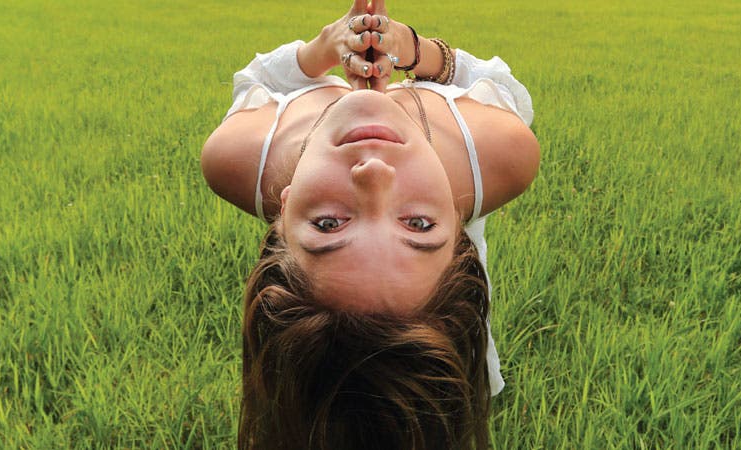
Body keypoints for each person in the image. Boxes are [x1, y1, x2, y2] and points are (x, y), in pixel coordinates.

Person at [201, 1, 539, 448]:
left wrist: (325, 48)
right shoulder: (498, 154)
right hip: (438, 349)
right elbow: (500, 90)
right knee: (440, 395)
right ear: (459, 230)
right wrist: (416, 51)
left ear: (282, 215)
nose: (375, 175)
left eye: (327, 225)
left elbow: (257, 82)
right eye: (418, 224)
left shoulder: (238, 159)